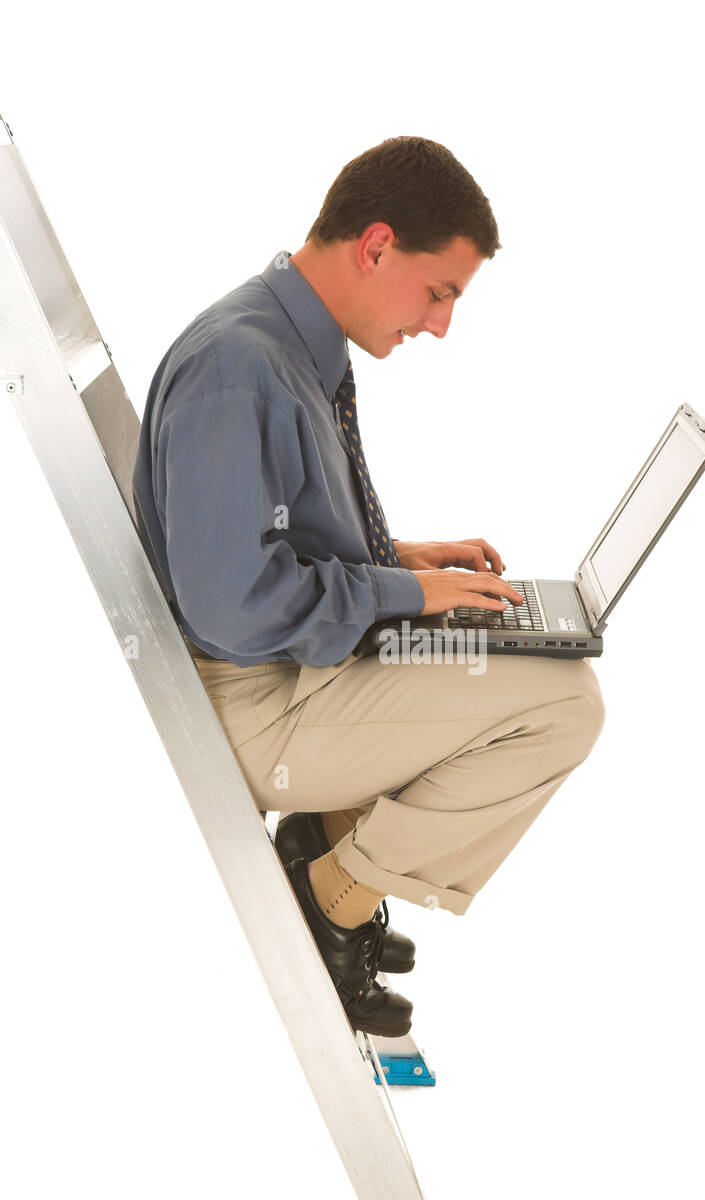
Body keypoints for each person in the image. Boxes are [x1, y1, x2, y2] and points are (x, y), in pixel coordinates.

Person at [132, 136, 605, 1038]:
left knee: (530, 670)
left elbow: (271, 533)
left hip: (288, 673)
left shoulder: (295, 345)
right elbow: (233, 605)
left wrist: (401, 560)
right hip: (252, 702)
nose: (439, 326)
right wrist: (400, 598)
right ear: (378, 245)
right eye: (440, 292)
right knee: (563, 708)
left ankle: (331, 837)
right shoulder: (241, 371)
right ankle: (332, 895)